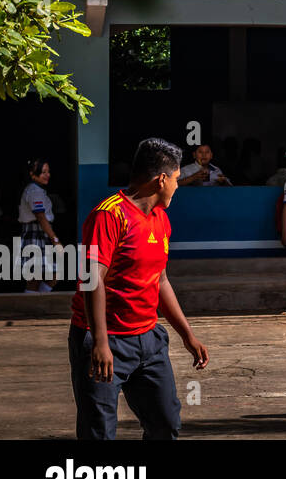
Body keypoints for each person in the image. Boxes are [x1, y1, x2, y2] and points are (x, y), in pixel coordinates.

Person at [69, 137, 209, 439]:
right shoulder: (109, 215)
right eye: (175, 179)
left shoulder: (161, 219)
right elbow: (92, 280)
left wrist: (188, 335)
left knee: (166, 424)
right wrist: (101, 343)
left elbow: (160, 281)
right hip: (105, 341)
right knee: (99, 432)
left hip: (149, 341)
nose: (177, 185)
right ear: (160, 180)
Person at [19, 158, 60, 293]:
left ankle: (37, 304)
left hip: (41, 233)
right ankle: (29, 308)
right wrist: (55, 240)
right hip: (35, 234)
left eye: (48, 172)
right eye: (43, 172)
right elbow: (41, 217)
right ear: (32, 174)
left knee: (51, 274)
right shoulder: (34, 191)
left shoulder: (37, 190)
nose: (47, 175)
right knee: (35, 276)